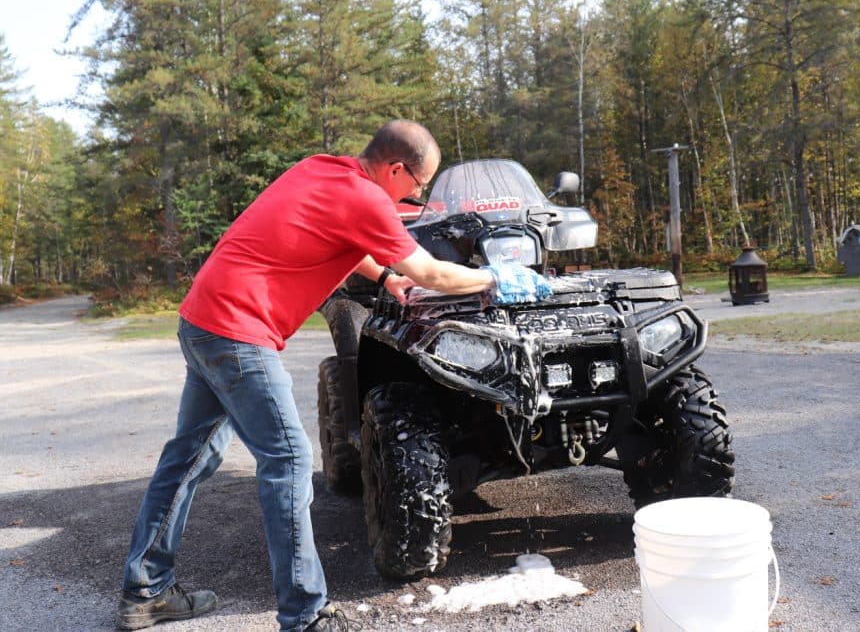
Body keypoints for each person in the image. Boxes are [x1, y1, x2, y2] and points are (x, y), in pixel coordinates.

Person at [116, 120, 548, 631]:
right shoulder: (366, 199)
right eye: (419, 184)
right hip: (237, 332)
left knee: (190, 458)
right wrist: (497, 278)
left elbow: (346, 242)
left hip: (203, 320)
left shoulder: (321, 170)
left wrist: (385, 278)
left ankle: (144, 591)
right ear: (395, 169)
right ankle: (305, 616)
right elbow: (431, 272)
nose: (418, 194)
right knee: (289, 462)